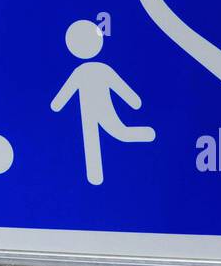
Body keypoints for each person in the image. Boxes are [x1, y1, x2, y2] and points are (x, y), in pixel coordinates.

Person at [49, 19, 155, 185]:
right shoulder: (86, 71)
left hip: (102, 110)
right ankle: (95, 176)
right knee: (92, 139)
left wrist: (133, 101)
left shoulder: (94, 70)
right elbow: (63, 96)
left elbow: (120, 87)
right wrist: (134, 102)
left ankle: (146, 134)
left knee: (117, 132)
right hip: (88, 114)